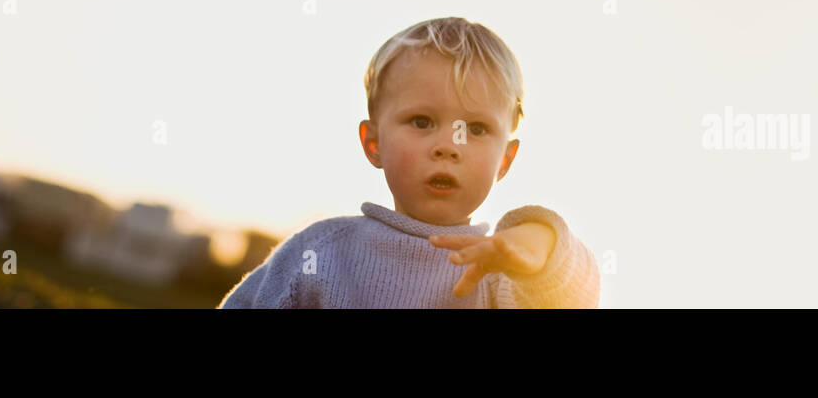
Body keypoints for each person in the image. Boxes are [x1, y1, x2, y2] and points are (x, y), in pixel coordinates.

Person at [218, 16, 600, 308]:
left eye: (477, 129)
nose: (449, 146)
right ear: (374, 142)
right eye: (422, 122)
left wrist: (540, 242)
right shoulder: (320, 253)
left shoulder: (499, 274)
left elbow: (578, 293)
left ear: (505, 159)